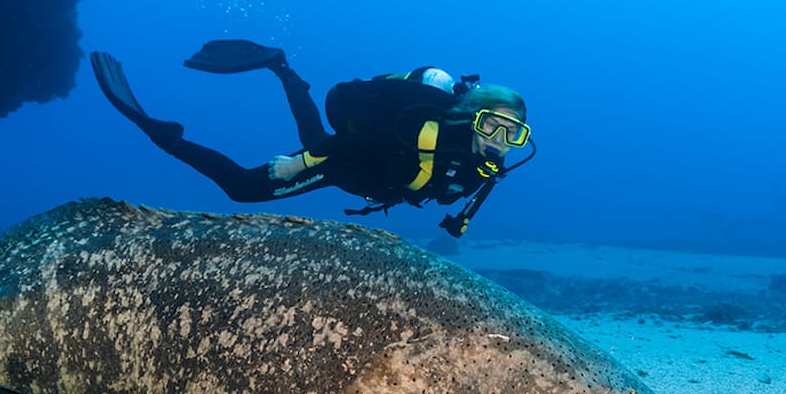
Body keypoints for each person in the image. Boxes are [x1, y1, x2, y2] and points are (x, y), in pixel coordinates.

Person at [89, 40, 535, 236]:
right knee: (245, 187)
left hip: (368, 179)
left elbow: (454, 206)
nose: (497, 139)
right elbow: (348, 146)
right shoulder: (429, 129)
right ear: (472, 117)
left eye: (511, 133)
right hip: (343, 160)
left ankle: (282, 69)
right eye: (491, 125)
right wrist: (300, 163)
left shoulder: (487, 169)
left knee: (289, 157)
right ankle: (168, 134)